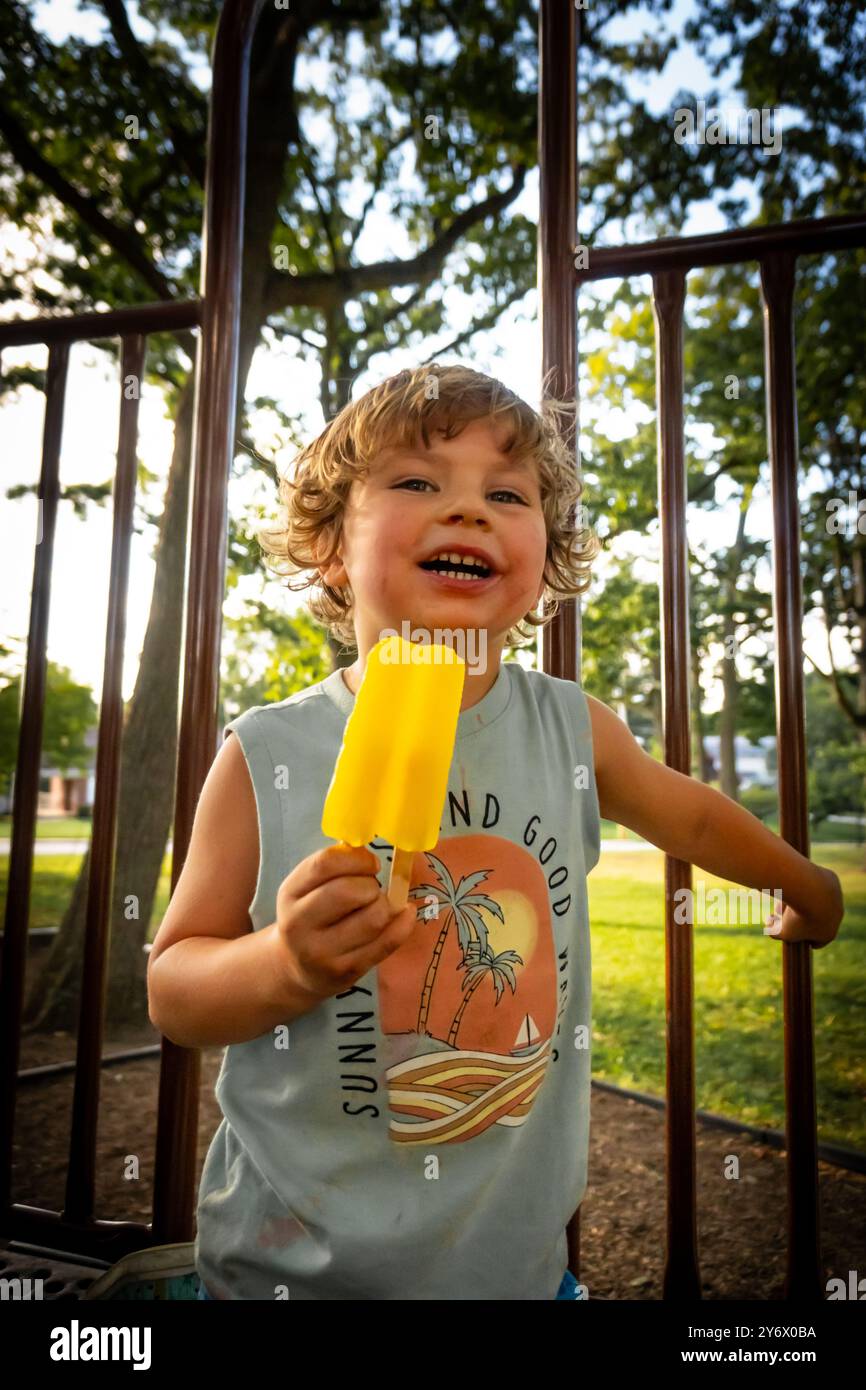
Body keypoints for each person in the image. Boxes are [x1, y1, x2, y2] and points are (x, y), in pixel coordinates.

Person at [147, 363, 844, 1301]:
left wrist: (806, 884)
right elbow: (176, 986)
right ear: (329, 548)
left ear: (544, 559)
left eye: (505, 494)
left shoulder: (571, 727)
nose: (467, 511)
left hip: (513, 1274)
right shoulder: (266, 752)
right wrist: (285, 964)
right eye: (418, 482)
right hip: (292, 1272)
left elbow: (693, 813)